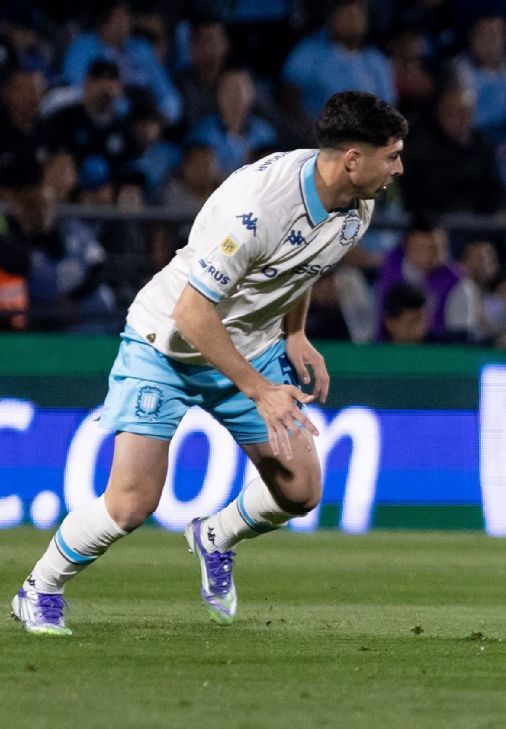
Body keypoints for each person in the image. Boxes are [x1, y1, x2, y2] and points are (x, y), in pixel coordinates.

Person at [10, 91, 408, 635]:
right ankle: (40, 588)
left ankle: (214, 534)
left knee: (300, 488)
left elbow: (303, 269)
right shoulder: (258, 207)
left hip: (253, 345)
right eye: (392, 155)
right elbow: (192, 312)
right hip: (167, 345)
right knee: (131, 503)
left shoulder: (357, 207)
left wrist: (296, 333)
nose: (399, 167)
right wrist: (259, 388)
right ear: (353, 159)